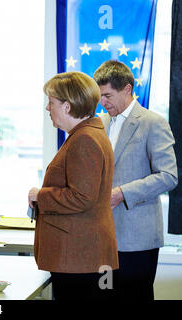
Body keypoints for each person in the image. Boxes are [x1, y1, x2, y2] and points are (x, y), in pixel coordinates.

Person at [28, 71, 118, 300]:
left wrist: (40, 196)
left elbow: (81, 197)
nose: (48, 108)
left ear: (67, 107)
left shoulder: (85, 139)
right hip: (84, 256)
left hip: (80, 258)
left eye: (51, 102)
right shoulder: (88, 134)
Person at [93, 60, 178, 300]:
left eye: (107, 95)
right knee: (104, 294)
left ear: (128, 89)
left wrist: (122, 193)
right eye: (100, 96)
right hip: (103, 239)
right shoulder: (101, 124)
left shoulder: (153, 122)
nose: (102, 102)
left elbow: (169, 176)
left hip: (138, 240)